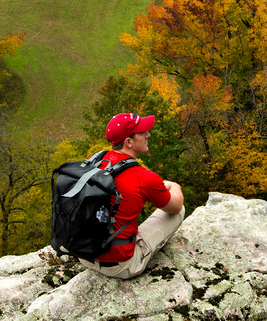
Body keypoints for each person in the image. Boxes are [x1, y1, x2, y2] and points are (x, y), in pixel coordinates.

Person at [78, 111, 186, 279]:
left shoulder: (97, 160)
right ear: (128, 142)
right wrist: (174, 186)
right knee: (179, 211)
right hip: (120, 265)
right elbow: (176, 207)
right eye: (143, 132)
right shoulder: (144, 178)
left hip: (84, 255)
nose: (148, 134)